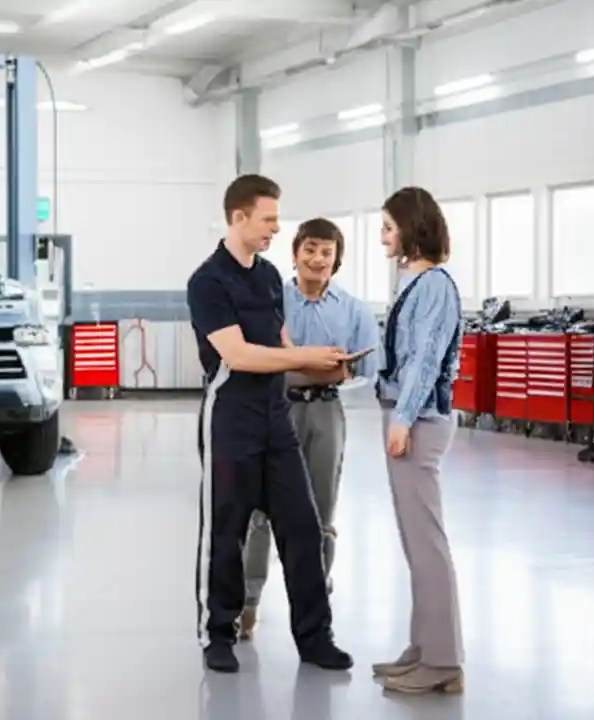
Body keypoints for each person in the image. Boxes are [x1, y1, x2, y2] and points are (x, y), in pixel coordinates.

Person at [186, 174, 355, 674]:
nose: (275, 230)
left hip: (275, 418)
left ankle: (314, 637)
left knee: (303, 526)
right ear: (238, 218)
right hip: (230, 419)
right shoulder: (207, 282)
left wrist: (322, 367)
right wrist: (303, 355)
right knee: (226, 531)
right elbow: (237, 355)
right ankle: (217, 633)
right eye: (268, 220)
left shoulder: (266, 277)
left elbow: (279, 350)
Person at [238, 218, 380, 640]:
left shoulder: (353, 310)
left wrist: (317, 373)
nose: (318, 259)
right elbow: (256, 359)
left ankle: (314, 601)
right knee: (261, 511)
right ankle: (247, 603)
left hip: (326, 415)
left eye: (327, 251)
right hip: (274, 411)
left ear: (337, 258)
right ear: (296, 251)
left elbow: (367, 372)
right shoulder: (270, 301)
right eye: (311, 249)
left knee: (321, 513)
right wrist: (306, 369)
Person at [371, 186, 465, 695]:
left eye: (388, 226)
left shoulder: (433, 286)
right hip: (408, 413)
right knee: (414, 540)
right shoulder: (414, 282)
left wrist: (402, 420)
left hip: (421, 421)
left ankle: (444, 661)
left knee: (427, 542)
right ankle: (423, 648)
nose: (382, 236)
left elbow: (426, 361)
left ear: (411, 228)